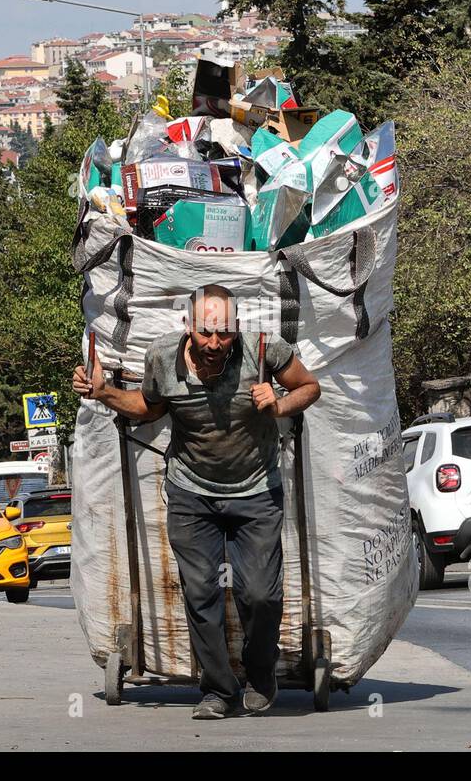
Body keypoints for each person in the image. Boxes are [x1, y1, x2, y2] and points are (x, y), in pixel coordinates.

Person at [73, 284, 321, 720]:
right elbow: (149, 409)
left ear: (236, 328)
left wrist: (280, 405)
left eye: (223, 333)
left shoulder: (264, 351)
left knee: (260, 594)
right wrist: (104, 392)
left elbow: (310, 387)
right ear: (188, 326)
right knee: (201, 592)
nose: (213, 343)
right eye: (206, 332)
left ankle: (262, 675)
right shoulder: (163, 357)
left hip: (257, 491)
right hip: (191, 494)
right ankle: (218, 691)